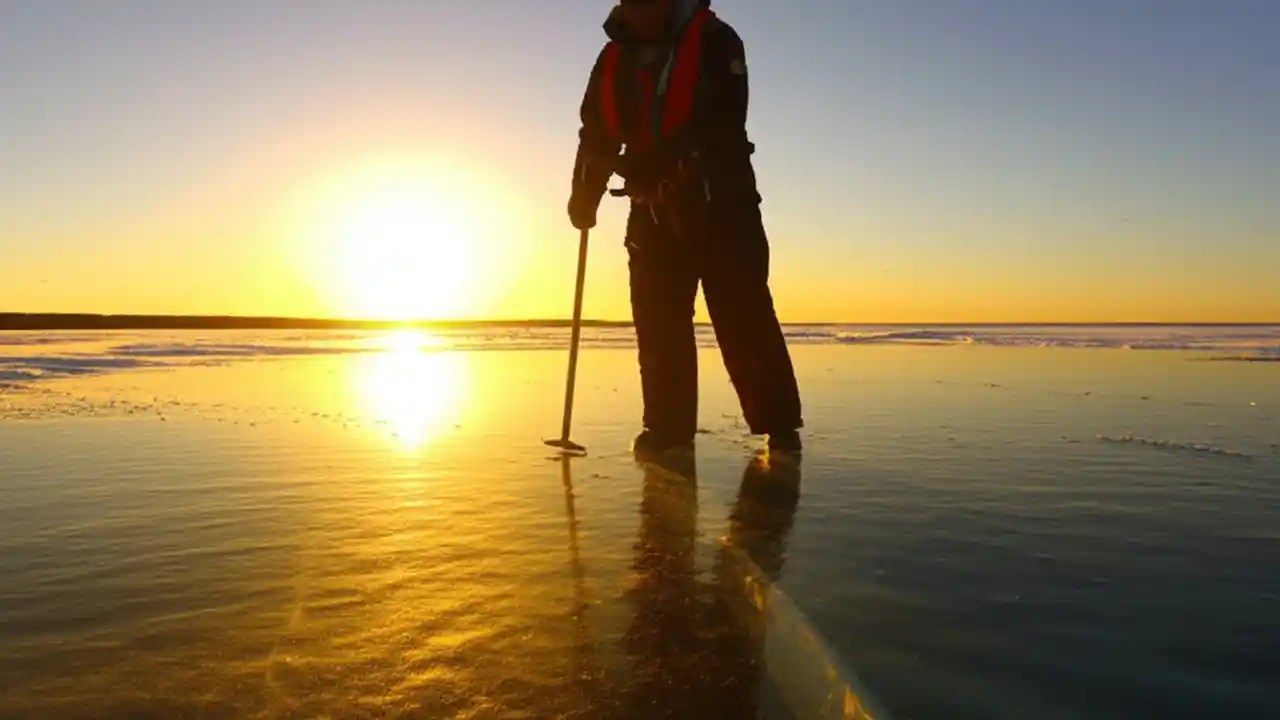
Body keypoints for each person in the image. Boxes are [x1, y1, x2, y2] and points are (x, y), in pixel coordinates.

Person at [568, 0, 804, 455]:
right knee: (657, 322)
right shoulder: (612, 58)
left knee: (743, 317)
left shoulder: (718, 41)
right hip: (652, 214)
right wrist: (585, 194)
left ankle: (780, 431)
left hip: (723, 208)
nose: (638, 9)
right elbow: (595, 133)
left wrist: (661, 169)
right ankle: (667, 430)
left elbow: (722, 125)